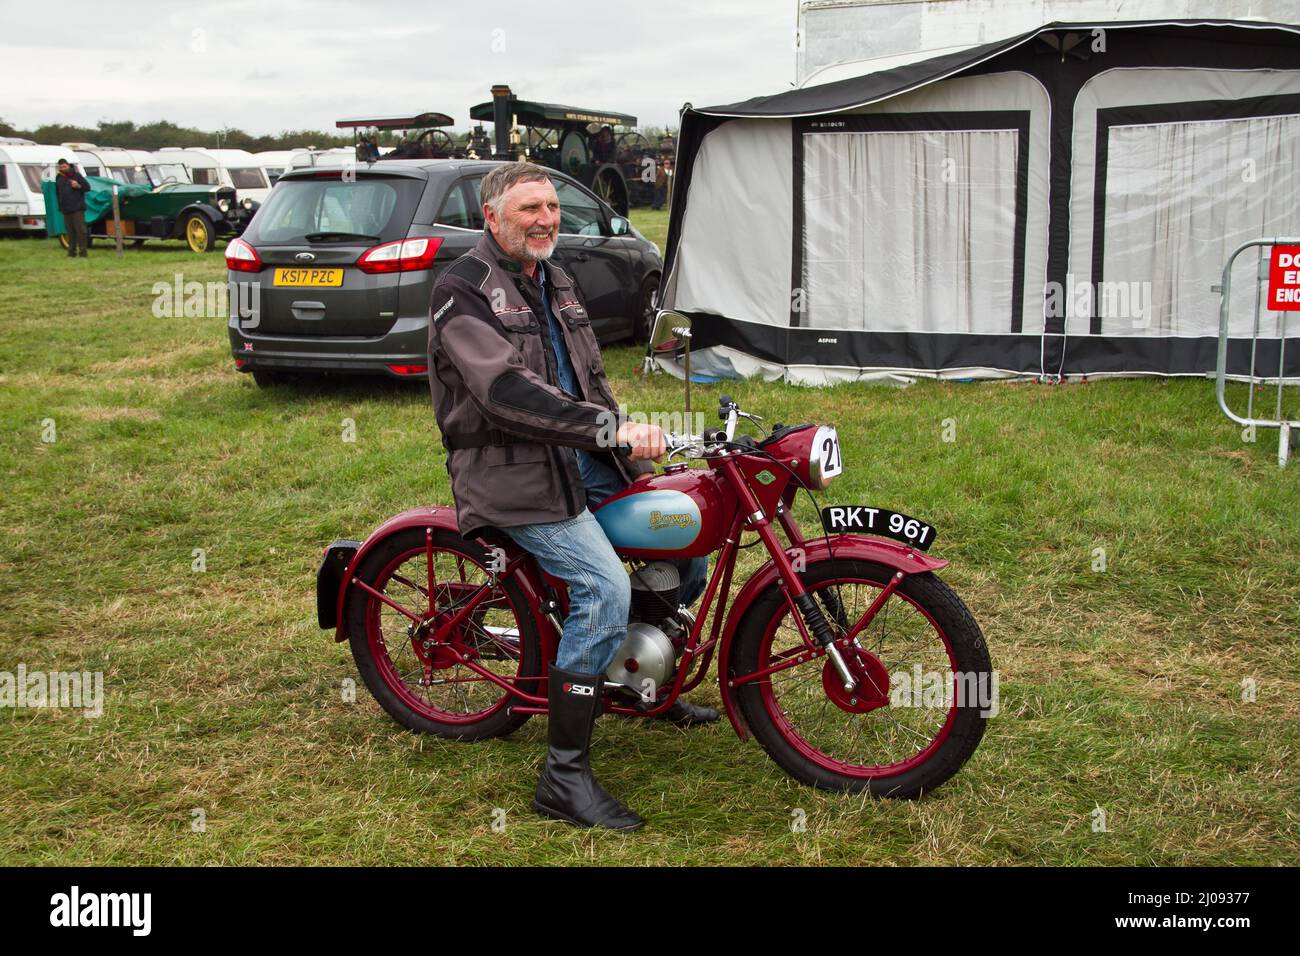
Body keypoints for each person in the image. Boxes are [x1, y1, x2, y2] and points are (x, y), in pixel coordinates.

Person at [427, 162, 715, 831]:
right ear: (492, 216)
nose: (546, 219)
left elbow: (585, 383)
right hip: (513, 474)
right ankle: (563, 777)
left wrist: (620, 439)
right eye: (530, 208)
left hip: (584, 460)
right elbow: (505, 395)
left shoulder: (556, 280)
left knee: (686, 549)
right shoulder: (461, 291)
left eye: (553, 206)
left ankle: (645, 678)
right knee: (604, 591)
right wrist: (610, 430)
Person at [55, 159, 91, 258]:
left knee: (81, 232)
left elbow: (87, 187)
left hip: (77, 208)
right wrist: (60, 206)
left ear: (68, 166)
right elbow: (58, 194)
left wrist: (78, 185)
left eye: (64, 166)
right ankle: (71, 253)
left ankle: (83, 253)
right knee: (70, 233)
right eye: (61, 167)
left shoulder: (77, 176)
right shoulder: (59, 178)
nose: (63, 168)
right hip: (66, 209)